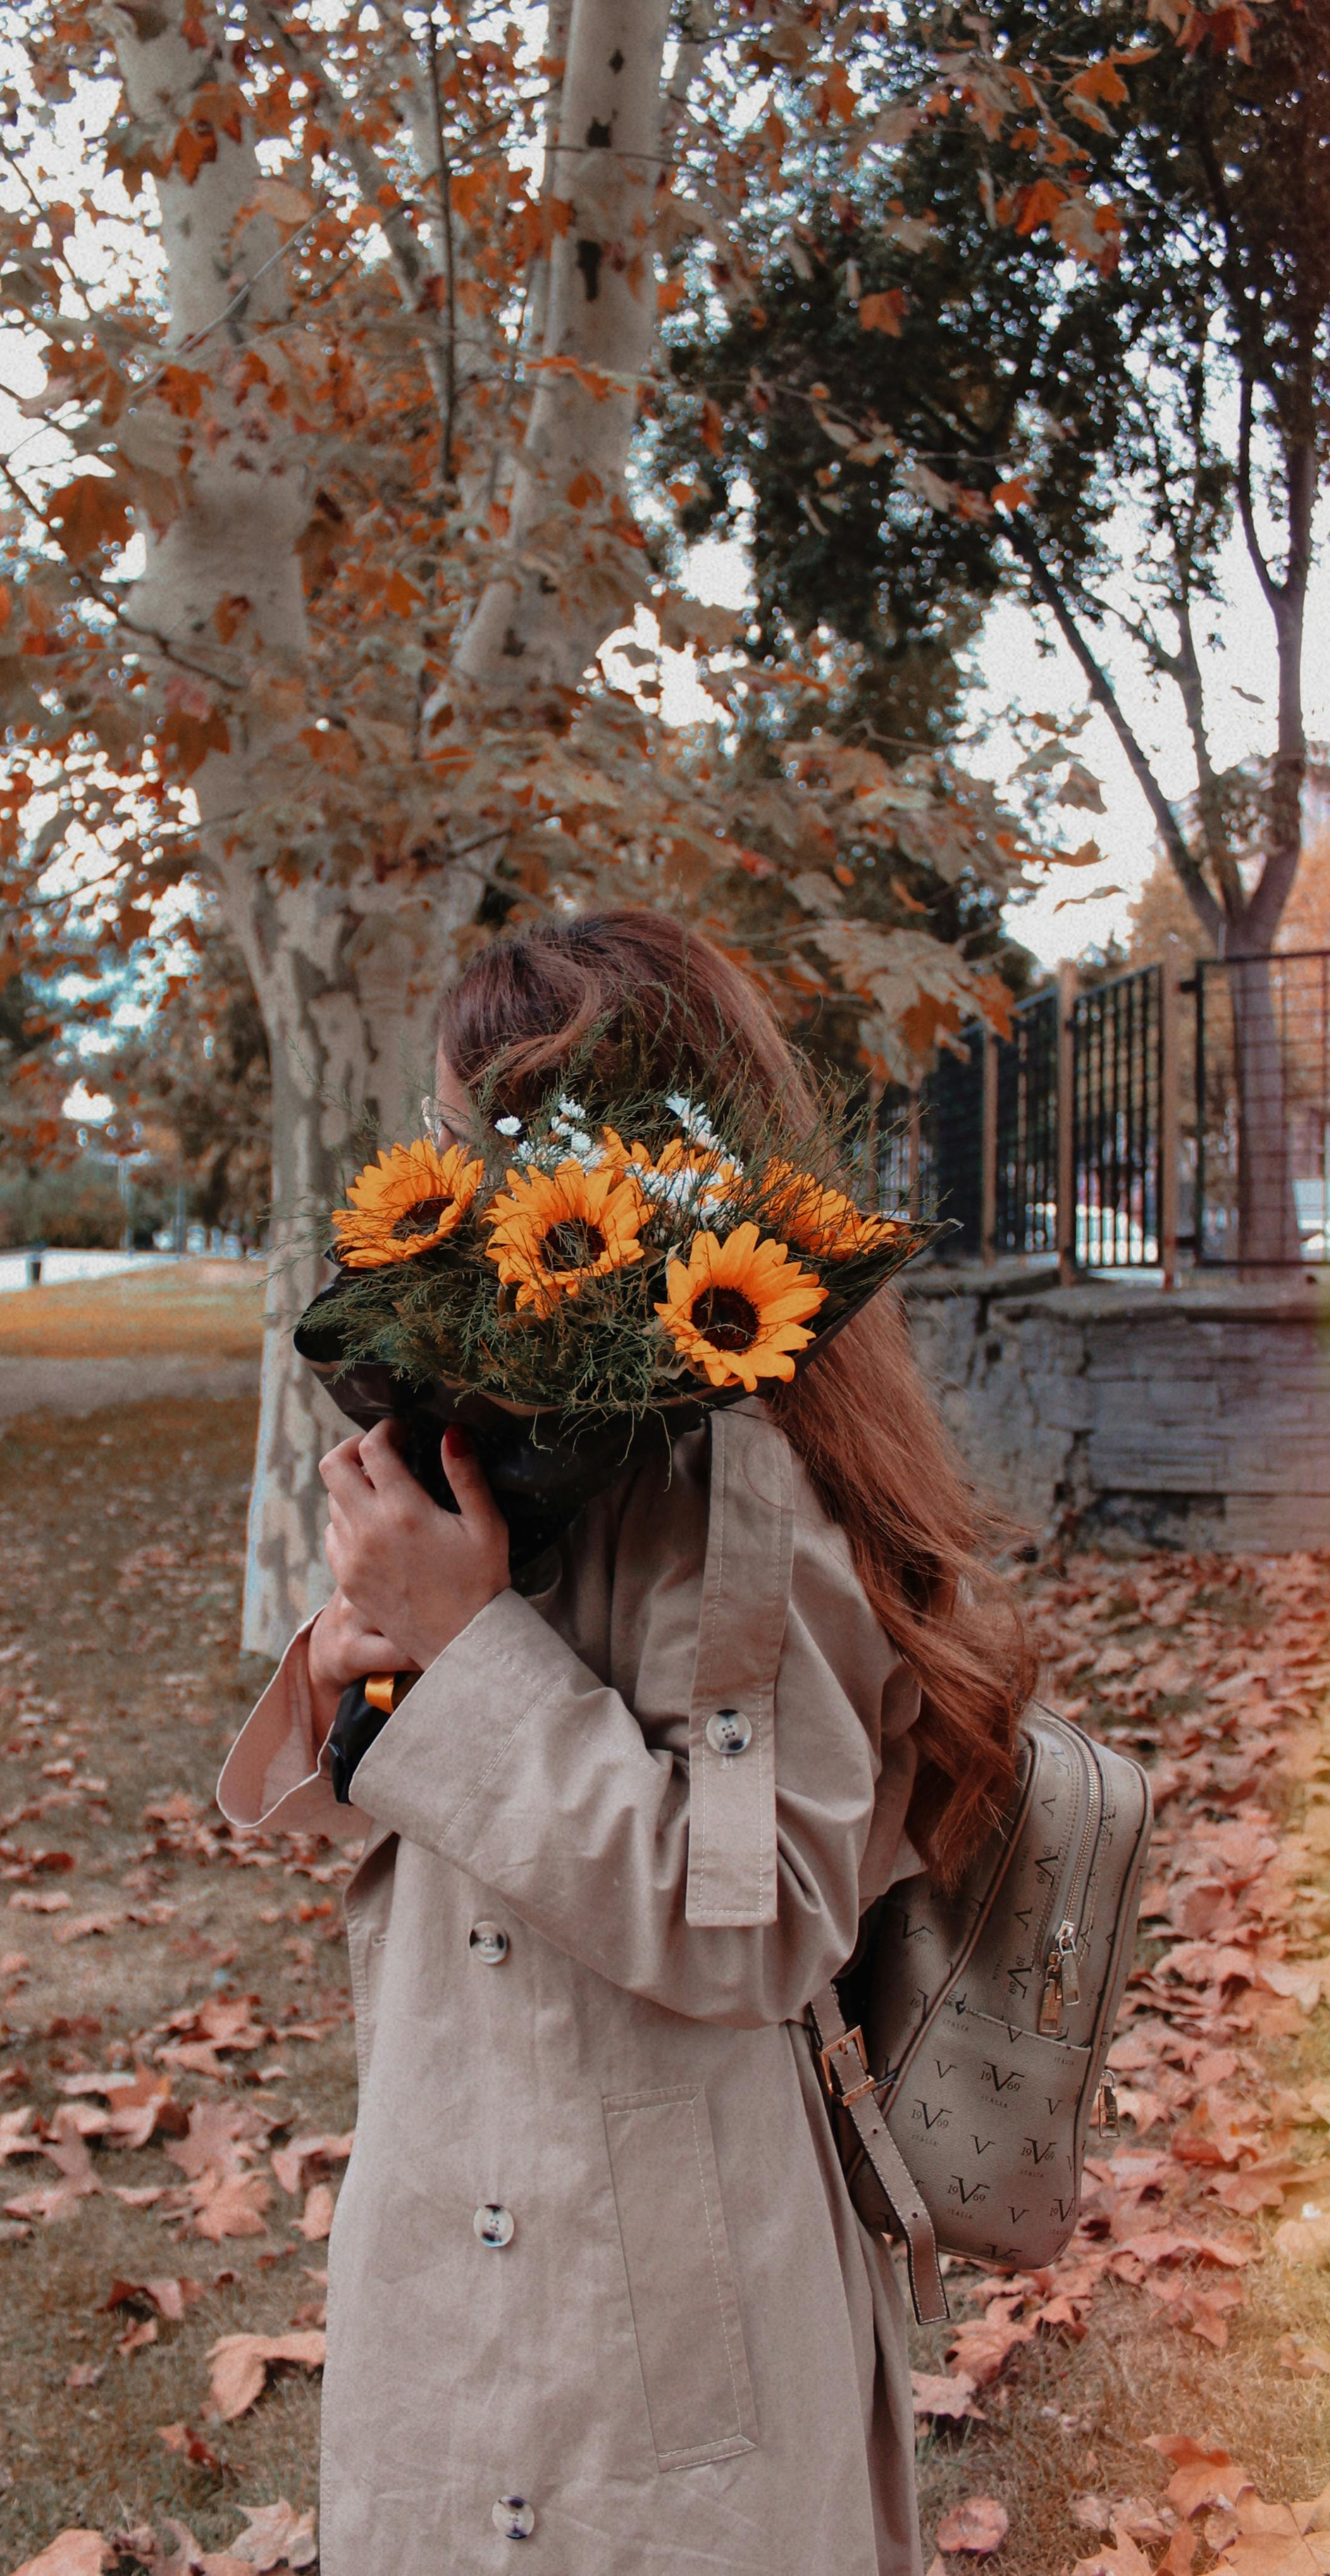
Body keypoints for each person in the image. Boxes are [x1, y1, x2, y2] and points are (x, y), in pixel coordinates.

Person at [218, 910, 1034, 2575]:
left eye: (494, 1139)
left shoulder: (741, 1486)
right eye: (454, 1143)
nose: (460, 1191)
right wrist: (351, 1648)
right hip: (448, 2233)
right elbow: (341, 1812)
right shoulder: (517, 1440)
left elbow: (743, 1925)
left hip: (655, 2298)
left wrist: (463, 1639)